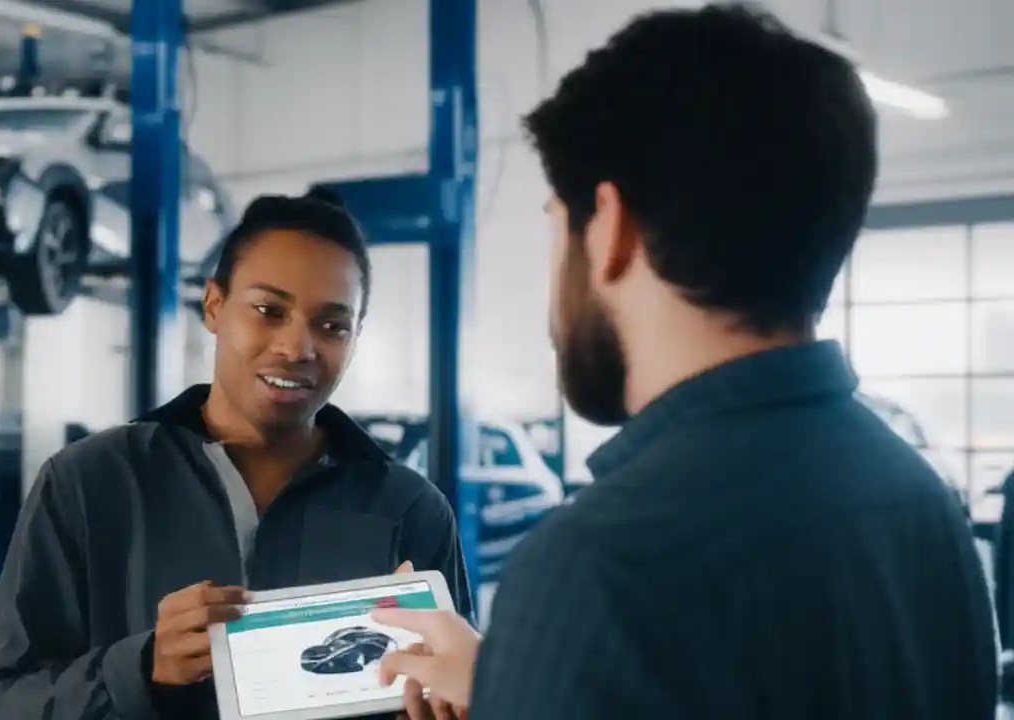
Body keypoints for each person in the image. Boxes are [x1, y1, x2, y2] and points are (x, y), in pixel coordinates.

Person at [373, 5, 997, 719]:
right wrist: (518, 684)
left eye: (556, 228)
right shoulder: (916, 496)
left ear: (609, 228)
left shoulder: (602, 563)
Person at [0, 190, 473, 720]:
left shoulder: (409, 510)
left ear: (355, 337)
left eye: (332, 325)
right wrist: (140, 669)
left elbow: (456, 687)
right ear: (213, 306)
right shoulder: (89, 484)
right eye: (268, 310)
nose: (297, 347)